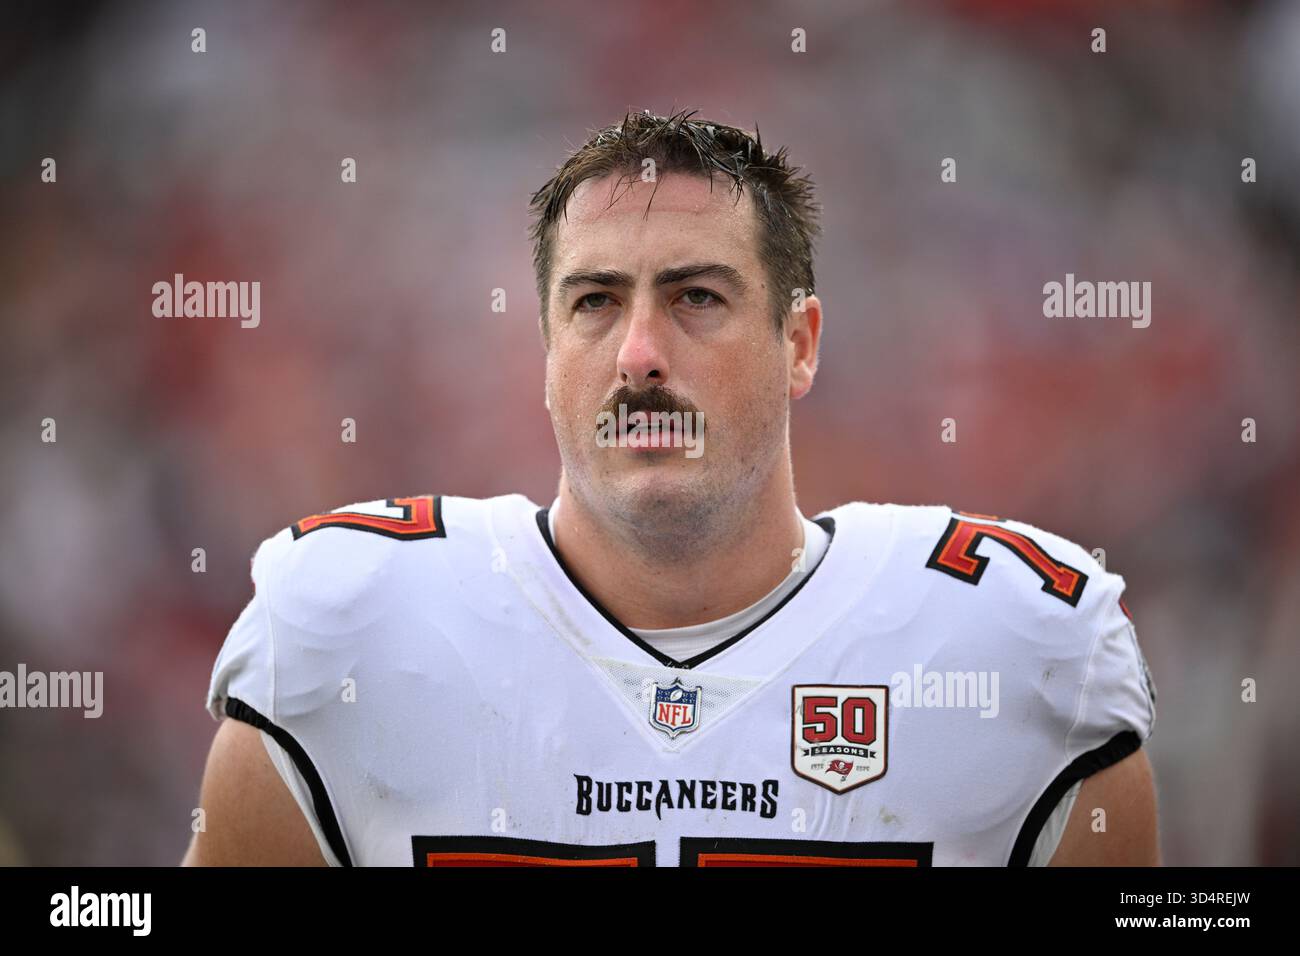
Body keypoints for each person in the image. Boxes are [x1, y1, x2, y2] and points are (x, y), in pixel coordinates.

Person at [183, 110, 1158, 867]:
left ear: (799, 342)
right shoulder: (350, 626)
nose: (640, 355)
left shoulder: (1019, 648)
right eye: (595, 302)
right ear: (547, 347)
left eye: (697, 296)